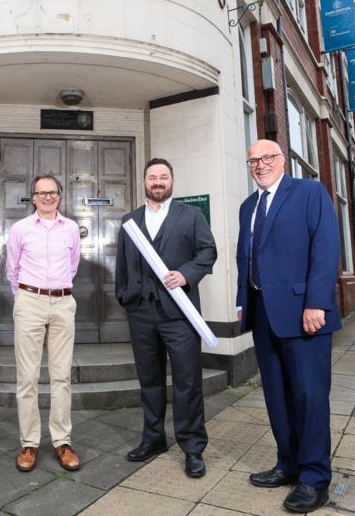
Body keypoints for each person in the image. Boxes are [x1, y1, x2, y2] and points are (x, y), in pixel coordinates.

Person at [236, 139, 340, 514]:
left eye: (267, 158)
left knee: (310, 397)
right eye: (253, 160)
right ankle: (288, 463)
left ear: (282, 160)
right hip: (264, 314)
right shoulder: (249, 206)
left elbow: (326, 248)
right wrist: (242, 304)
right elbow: (244, 258)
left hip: (303, 314)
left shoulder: (310, 192)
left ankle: (314, 478)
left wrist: (317, 302)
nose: (260, 164)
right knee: (277, 395)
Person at [115, 158, 217, 478]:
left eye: (163, 177)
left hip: (179, 313)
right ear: (144, 181)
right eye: (152, 177)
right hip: (141, 313)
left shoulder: (191, 216)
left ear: (172, 180)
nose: (157, 182)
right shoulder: (129, 221)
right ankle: (154, 438)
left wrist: (185, 275)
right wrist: (125, 296)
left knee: (187, 381)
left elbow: (208, 252)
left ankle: (192, 447)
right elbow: (121, 263)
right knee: (150, 380)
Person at [5, 174, 82, 473]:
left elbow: (73, 264)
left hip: (63, 302)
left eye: (53, 193)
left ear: (59, 197)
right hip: (29, 301)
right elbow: (12, 269)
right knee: (28, 378)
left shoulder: (72, 228)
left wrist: (57, 293)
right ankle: (29, 443)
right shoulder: (21, 229)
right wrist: (25, 299)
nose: (48, 197)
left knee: (61, 376)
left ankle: (62, 442)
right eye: (42, 193)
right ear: (33, 197)